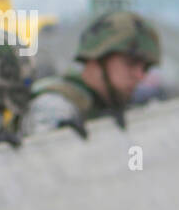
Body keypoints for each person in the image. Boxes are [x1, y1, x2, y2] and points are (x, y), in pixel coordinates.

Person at [24, 10, 160, 137]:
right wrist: (63, 138)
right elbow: (44, 149)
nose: (140, 75)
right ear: (98, 58)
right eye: (131, 63)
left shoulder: (111, 104)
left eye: (146, 68)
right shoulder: (54, 105)